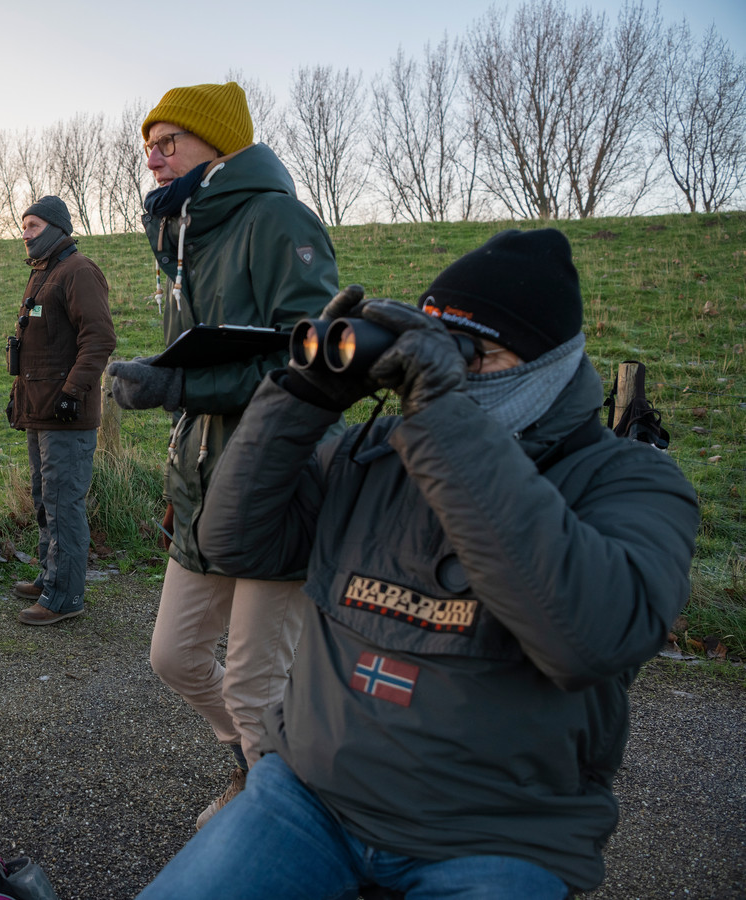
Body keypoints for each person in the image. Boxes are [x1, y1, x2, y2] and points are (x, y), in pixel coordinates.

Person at [138, 229, 700, 899]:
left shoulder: (627, 480)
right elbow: (238, 542)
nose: (438, 370)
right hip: (313, 798)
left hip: (497, 836)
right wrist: (302, 394)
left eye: (472, 354)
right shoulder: (374, 450)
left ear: (548, 365)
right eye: (429, 345)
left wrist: (443, 414)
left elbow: (588, 638)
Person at [106, 81, 339, 827]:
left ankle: (281, 826)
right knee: (173, 656)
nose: (153, 157)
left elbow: (312, 366)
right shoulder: (185, 237)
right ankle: (265, 768)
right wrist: (176, 405)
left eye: (169, 141)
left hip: (277, 487)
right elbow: (203, 362)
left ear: (220, 144)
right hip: (205, 487)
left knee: (252, 684)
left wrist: (175, 385)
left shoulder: (279, 221)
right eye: (148, 145)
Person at [5, 196, 117, 626]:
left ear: (55, 228)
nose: (25, 233)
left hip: (66, 416)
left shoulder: (78, 271)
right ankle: (50, 577)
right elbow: (37, 350)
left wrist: (73, 392)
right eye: (23, 226)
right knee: (44, 500)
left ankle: (65, 597)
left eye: (32, 225)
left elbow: (99, 338)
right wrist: (20, 401)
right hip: (41, 413)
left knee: (63, 503)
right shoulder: (43, 275)